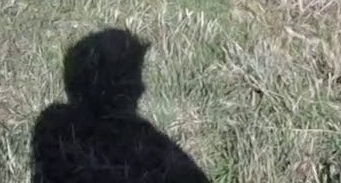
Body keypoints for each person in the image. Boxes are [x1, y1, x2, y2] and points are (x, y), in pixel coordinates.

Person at [30, 28, 209, 183]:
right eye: (133, 78)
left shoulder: (53, 132)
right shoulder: (156, 152)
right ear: (123, 89)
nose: (141, 88)